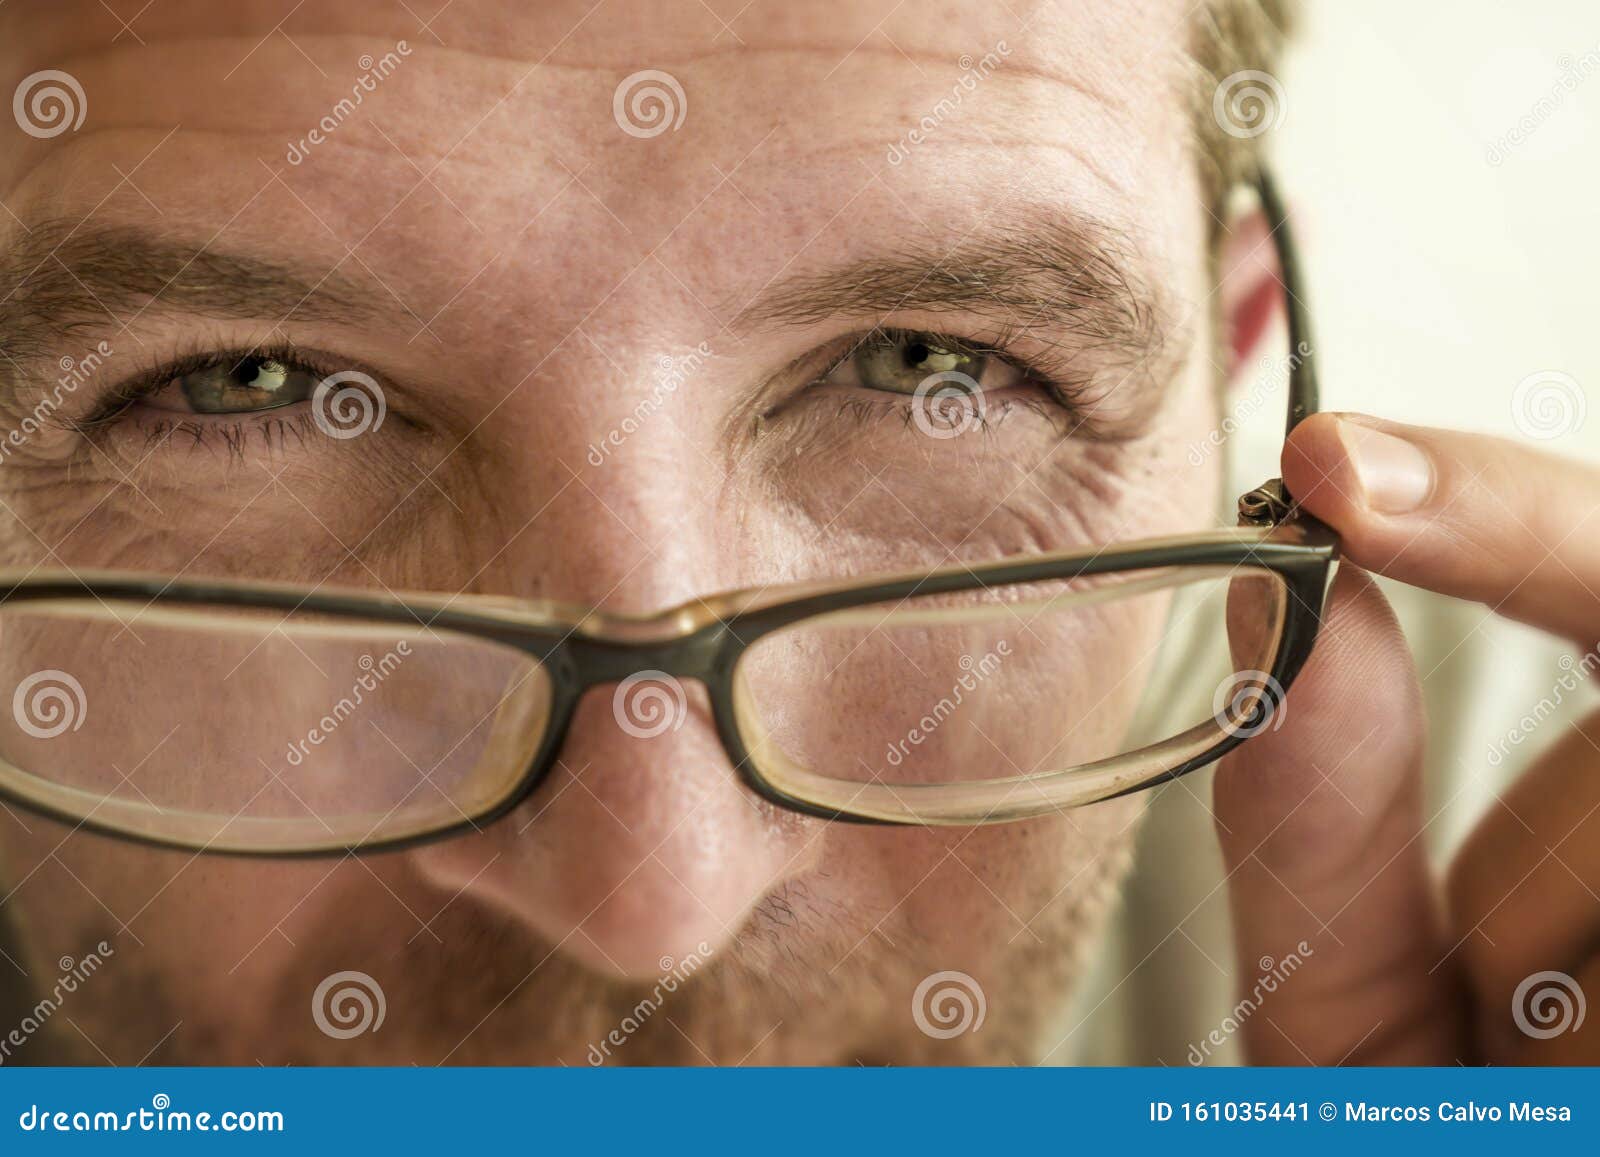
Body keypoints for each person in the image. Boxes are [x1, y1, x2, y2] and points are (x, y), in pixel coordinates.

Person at [0, 0, 1593, 1066]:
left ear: (1229, 366)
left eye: (932, 370)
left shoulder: (1519, 877)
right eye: (235, 388)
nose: (647, 905)